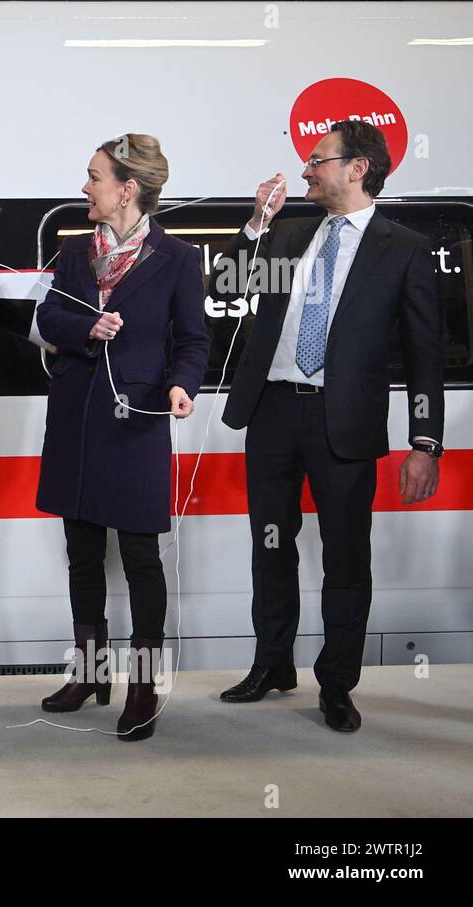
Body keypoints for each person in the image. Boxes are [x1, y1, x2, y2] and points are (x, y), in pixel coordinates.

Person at [211, 120, 443, 732]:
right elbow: (223, 284)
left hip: (345, 421)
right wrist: (256, 222)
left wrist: (426, 442)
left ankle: (336, 683)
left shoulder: (404, 248)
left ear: (356, 168)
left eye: (318, 160)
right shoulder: (286, 234)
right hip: (272, 413)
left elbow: (425, 356)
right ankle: (271, 664)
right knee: (270, 544)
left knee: (346, 556)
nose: (307, 169)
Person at [34, 134, 209, 741]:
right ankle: (89, 675)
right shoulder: (74, 253)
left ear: (127, 189)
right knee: (82, 556)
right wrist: (87, 326)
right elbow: (48, 320)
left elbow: (193, 341)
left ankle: (141, 684)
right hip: (75, 423)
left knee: (139, 560)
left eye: (93, 176)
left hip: (137, 424)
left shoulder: (179, 259)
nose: (85, 187)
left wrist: (182, 385)